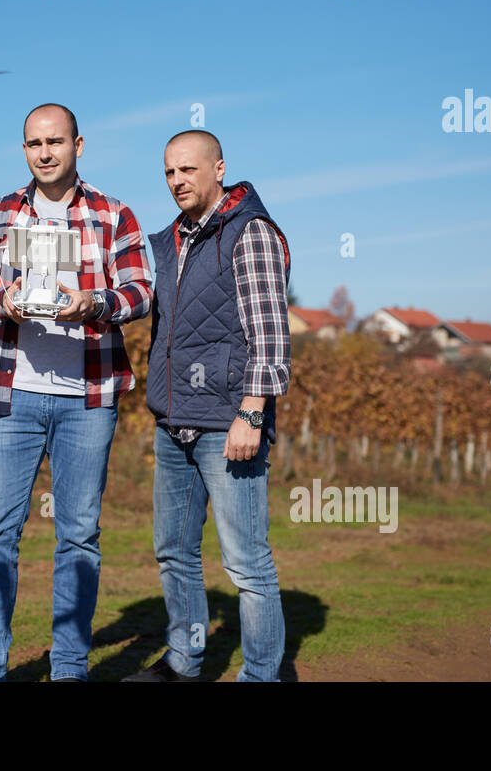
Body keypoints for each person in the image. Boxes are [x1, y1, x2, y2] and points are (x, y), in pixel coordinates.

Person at [0, 103, 154, 682]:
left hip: (88, 399)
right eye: (35, 143)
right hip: (11, 397)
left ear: (79, 145)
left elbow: (142, 292)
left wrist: (95, 303)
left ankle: (69, 670)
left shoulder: (115, 215)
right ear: (24, 150)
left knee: (79, 539)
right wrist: (0, 302)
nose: (45, 152)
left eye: (56, 142)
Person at [123, 128, 292, 683]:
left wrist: (251, 412)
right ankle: (183, 662)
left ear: (218, 169)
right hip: (173, 425)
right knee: (174, 553)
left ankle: (261, 676)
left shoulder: (251, 232)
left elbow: (269, 335)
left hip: (227, 425)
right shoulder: (167, 241)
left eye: (188, 170)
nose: (177, 181)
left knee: (246, 564)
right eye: (169, 172)